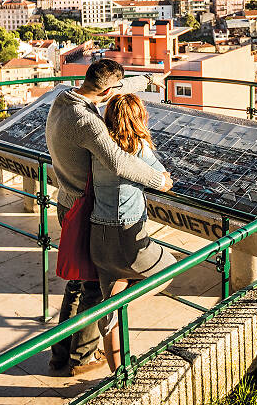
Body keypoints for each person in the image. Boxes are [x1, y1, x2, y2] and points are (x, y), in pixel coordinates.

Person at [45, 59, 172, 377]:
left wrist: (145, 79)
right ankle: (82, 357)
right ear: (107, 90)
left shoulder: (63, 96)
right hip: (83, 210)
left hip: (67, 201)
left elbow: (111, 89)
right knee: (91, 289)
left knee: (77, 283)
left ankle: (60, 354)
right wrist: (161, 182)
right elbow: (118, 162)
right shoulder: (87, 121)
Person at [91, 93, 177, 371]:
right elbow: (164, 180)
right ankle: (118, 308)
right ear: (138, 118)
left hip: (97, 234)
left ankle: (117, 376)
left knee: (110, 302)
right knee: (169, 269)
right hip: (127, 234)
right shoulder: (137, 147)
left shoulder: (99, 147)